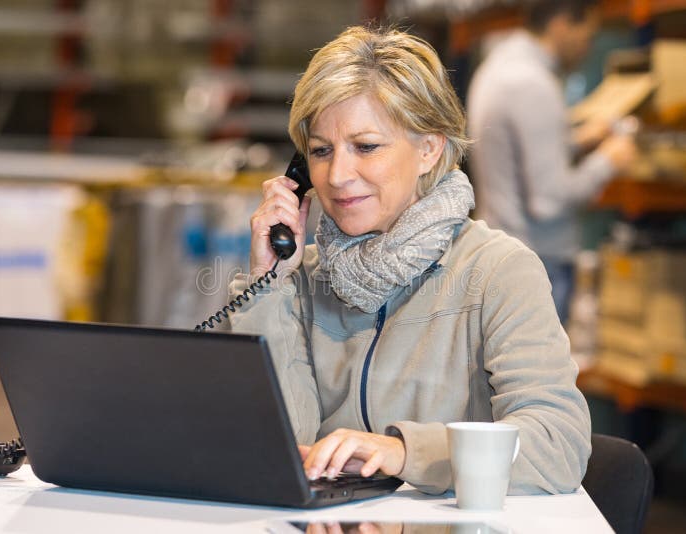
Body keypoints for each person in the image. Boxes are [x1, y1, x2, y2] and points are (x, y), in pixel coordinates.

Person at [224, 26, 591, 496]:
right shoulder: (298, 278)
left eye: (366, 146)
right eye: (320, 151)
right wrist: (268, 284)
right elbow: (274, 448)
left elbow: (559, 444)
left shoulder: (499, 270)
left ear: (429, 149)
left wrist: (405, 452)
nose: (337, 175)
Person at [466, 0, 637, 323]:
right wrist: (608, 160)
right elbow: (549, 201)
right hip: (537, 265)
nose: (588, 46)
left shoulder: (500, 67)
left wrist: (576, 141)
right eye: (587, 34)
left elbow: (519, 156)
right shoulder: (532, 83)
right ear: (561, 23)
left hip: (507, 256)